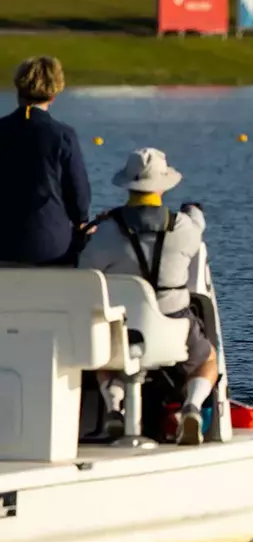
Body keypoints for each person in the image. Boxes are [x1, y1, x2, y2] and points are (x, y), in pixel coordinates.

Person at [78, 148, 218, 445]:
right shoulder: (183, 227)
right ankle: (191, 406)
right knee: (207, 359)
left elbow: (85, 270)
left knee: (101, 346)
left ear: (128, 185)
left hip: (122, 333)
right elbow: (197, 233)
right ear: (163, 186)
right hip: (174, 329)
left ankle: (115, 408)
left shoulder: (107, 231)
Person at [0, 57, 91, 266]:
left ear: (18, 88)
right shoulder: (62, 135)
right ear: (54, 94)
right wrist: (81, 222)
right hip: (49, 246)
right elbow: (78, 196)